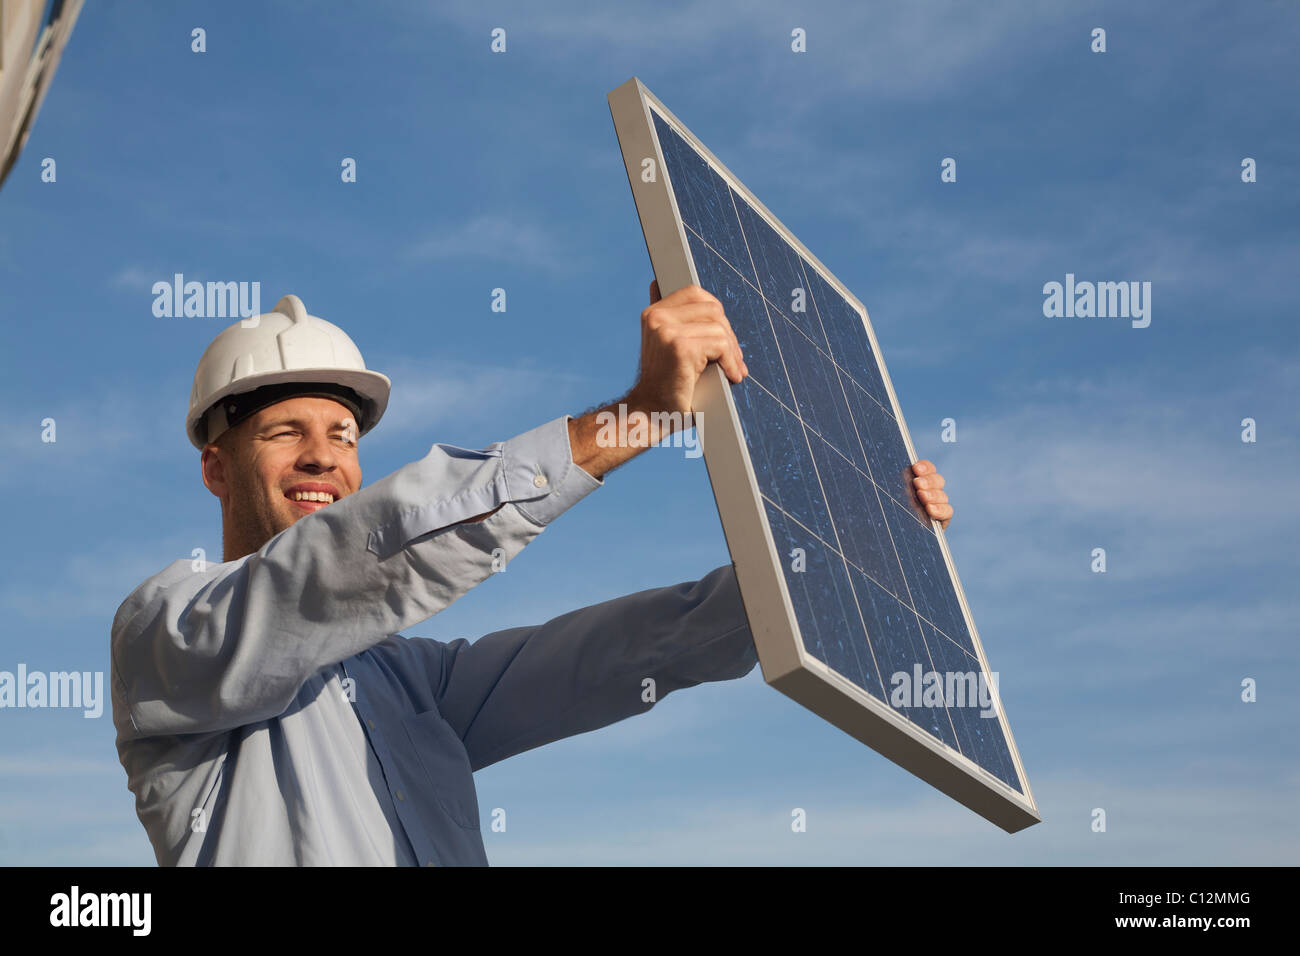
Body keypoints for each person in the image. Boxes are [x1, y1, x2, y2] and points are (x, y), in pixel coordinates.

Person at [110, 283, 953, 866]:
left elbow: (623, 654)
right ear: (216, 468)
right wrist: (640, 416)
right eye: (283, 432)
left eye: (343, 433)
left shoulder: (415, 685)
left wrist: (854, 549)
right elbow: (345, 565)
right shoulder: (169, 632)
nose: (324, 457)